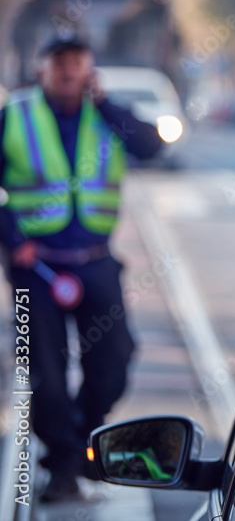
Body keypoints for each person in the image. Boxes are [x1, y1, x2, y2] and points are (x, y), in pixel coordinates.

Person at [0, 33, 163, 502]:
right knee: (43, 372)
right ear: (41, 70)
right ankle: (66, 464)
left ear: (90, 69)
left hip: (95, 264)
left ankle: (82, 437)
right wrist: (12, 240)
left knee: (113, 361)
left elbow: (151, 147)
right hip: (37, 270)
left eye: (77, 62)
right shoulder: (15, 115)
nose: (68, 70)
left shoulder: (108, 115)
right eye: (59, 62)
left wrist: (108, 106)